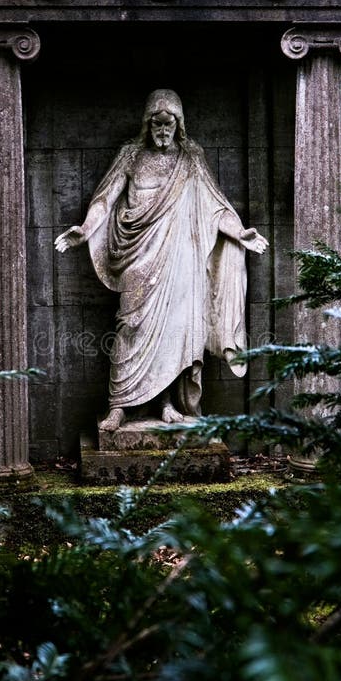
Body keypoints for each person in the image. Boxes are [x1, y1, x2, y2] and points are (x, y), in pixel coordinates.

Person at [54, 89, 268, 431]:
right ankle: (118, 406)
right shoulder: (130, 155)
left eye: (170, 124)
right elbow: (105, 199)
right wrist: (85, 229)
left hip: (178, 261)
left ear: (179, 125)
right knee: (129, 326)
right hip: (137, 256)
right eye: (158, 124)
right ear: (148, 124)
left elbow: (215, 208)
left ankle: (166, 403)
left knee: (173, 333)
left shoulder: (190, 159)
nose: (164, 131)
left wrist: (240, 233)